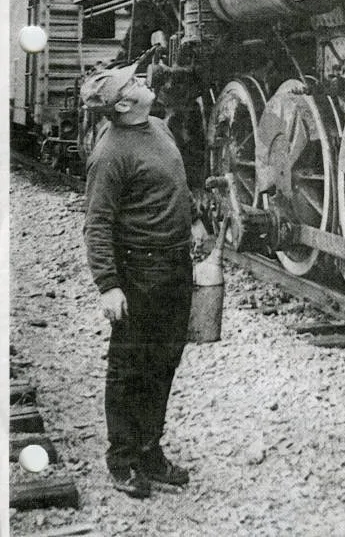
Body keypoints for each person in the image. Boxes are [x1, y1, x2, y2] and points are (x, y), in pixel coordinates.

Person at [81, 63, 208, 498]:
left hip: (174, 267)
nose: (144, 81)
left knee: (163, 362)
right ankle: (123, 460)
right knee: (130, 367)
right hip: (138, 272)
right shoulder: (111, 152)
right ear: (121, 104)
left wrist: (194, 222)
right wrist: (108, 285)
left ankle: (150, 450)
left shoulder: (157, 127)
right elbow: (96, 224)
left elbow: (177, 181)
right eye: (133, 83)